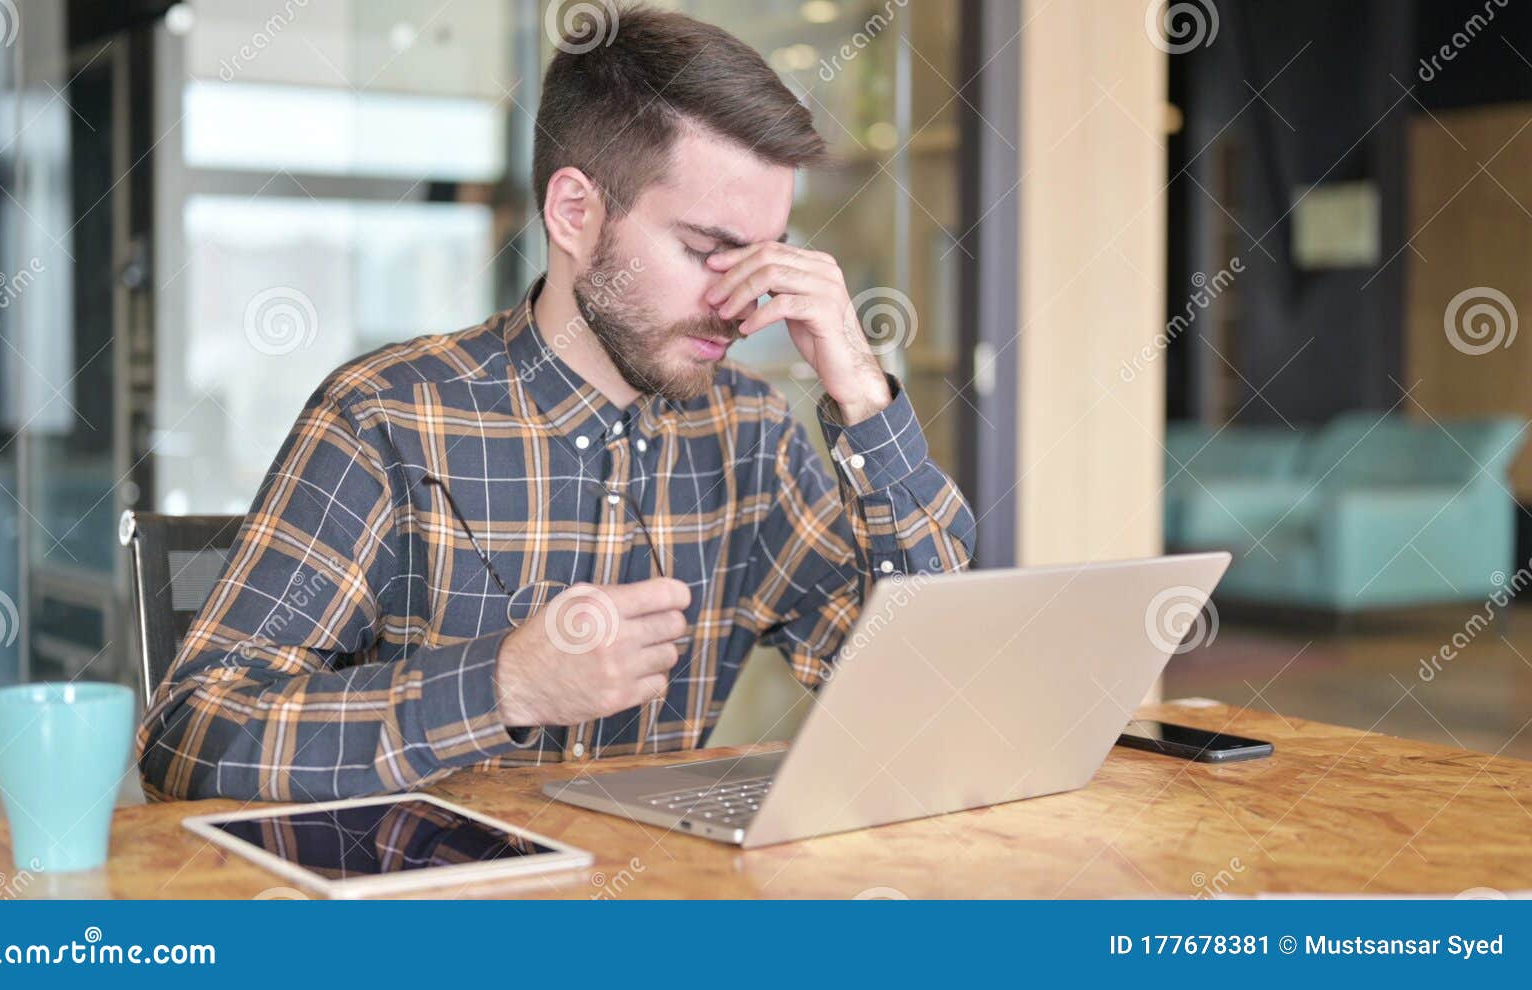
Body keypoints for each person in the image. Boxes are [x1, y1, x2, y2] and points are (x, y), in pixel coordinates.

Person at [138, 6, 975, 801]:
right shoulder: (386, 420)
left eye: (765, 258)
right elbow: (191, 734)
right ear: (574, 212)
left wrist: (866, 396)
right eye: (707, 250)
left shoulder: (750, 436)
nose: (743, 306)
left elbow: (926, 697)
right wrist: (503, 684)